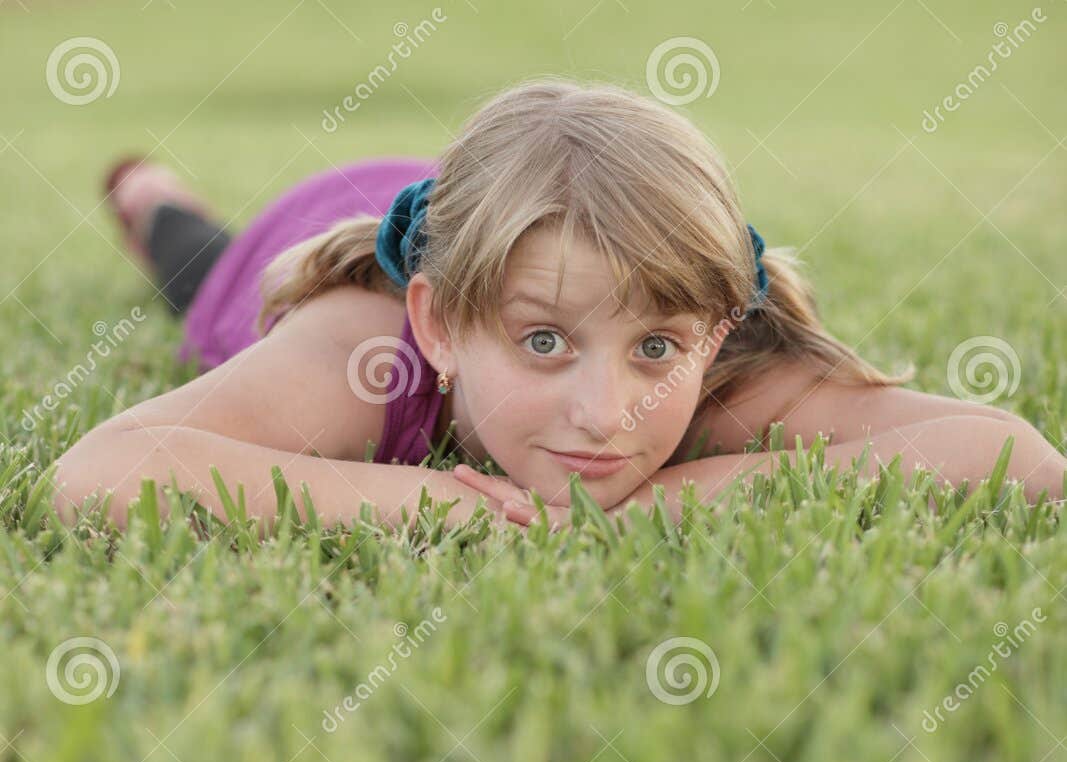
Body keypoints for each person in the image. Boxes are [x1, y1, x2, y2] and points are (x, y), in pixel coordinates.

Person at [52, 78, 1065, 535]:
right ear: (440, 327)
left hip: (505, 226)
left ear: (713, 326)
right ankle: (148, 192)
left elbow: (1016, 459)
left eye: (655, 349)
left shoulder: (701, 351)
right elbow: (99, 475)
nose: (605, 412)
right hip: (310, 234)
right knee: (192, 258)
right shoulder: (366, 347)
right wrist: (438, 506)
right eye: (543, 342)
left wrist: (665, 503)